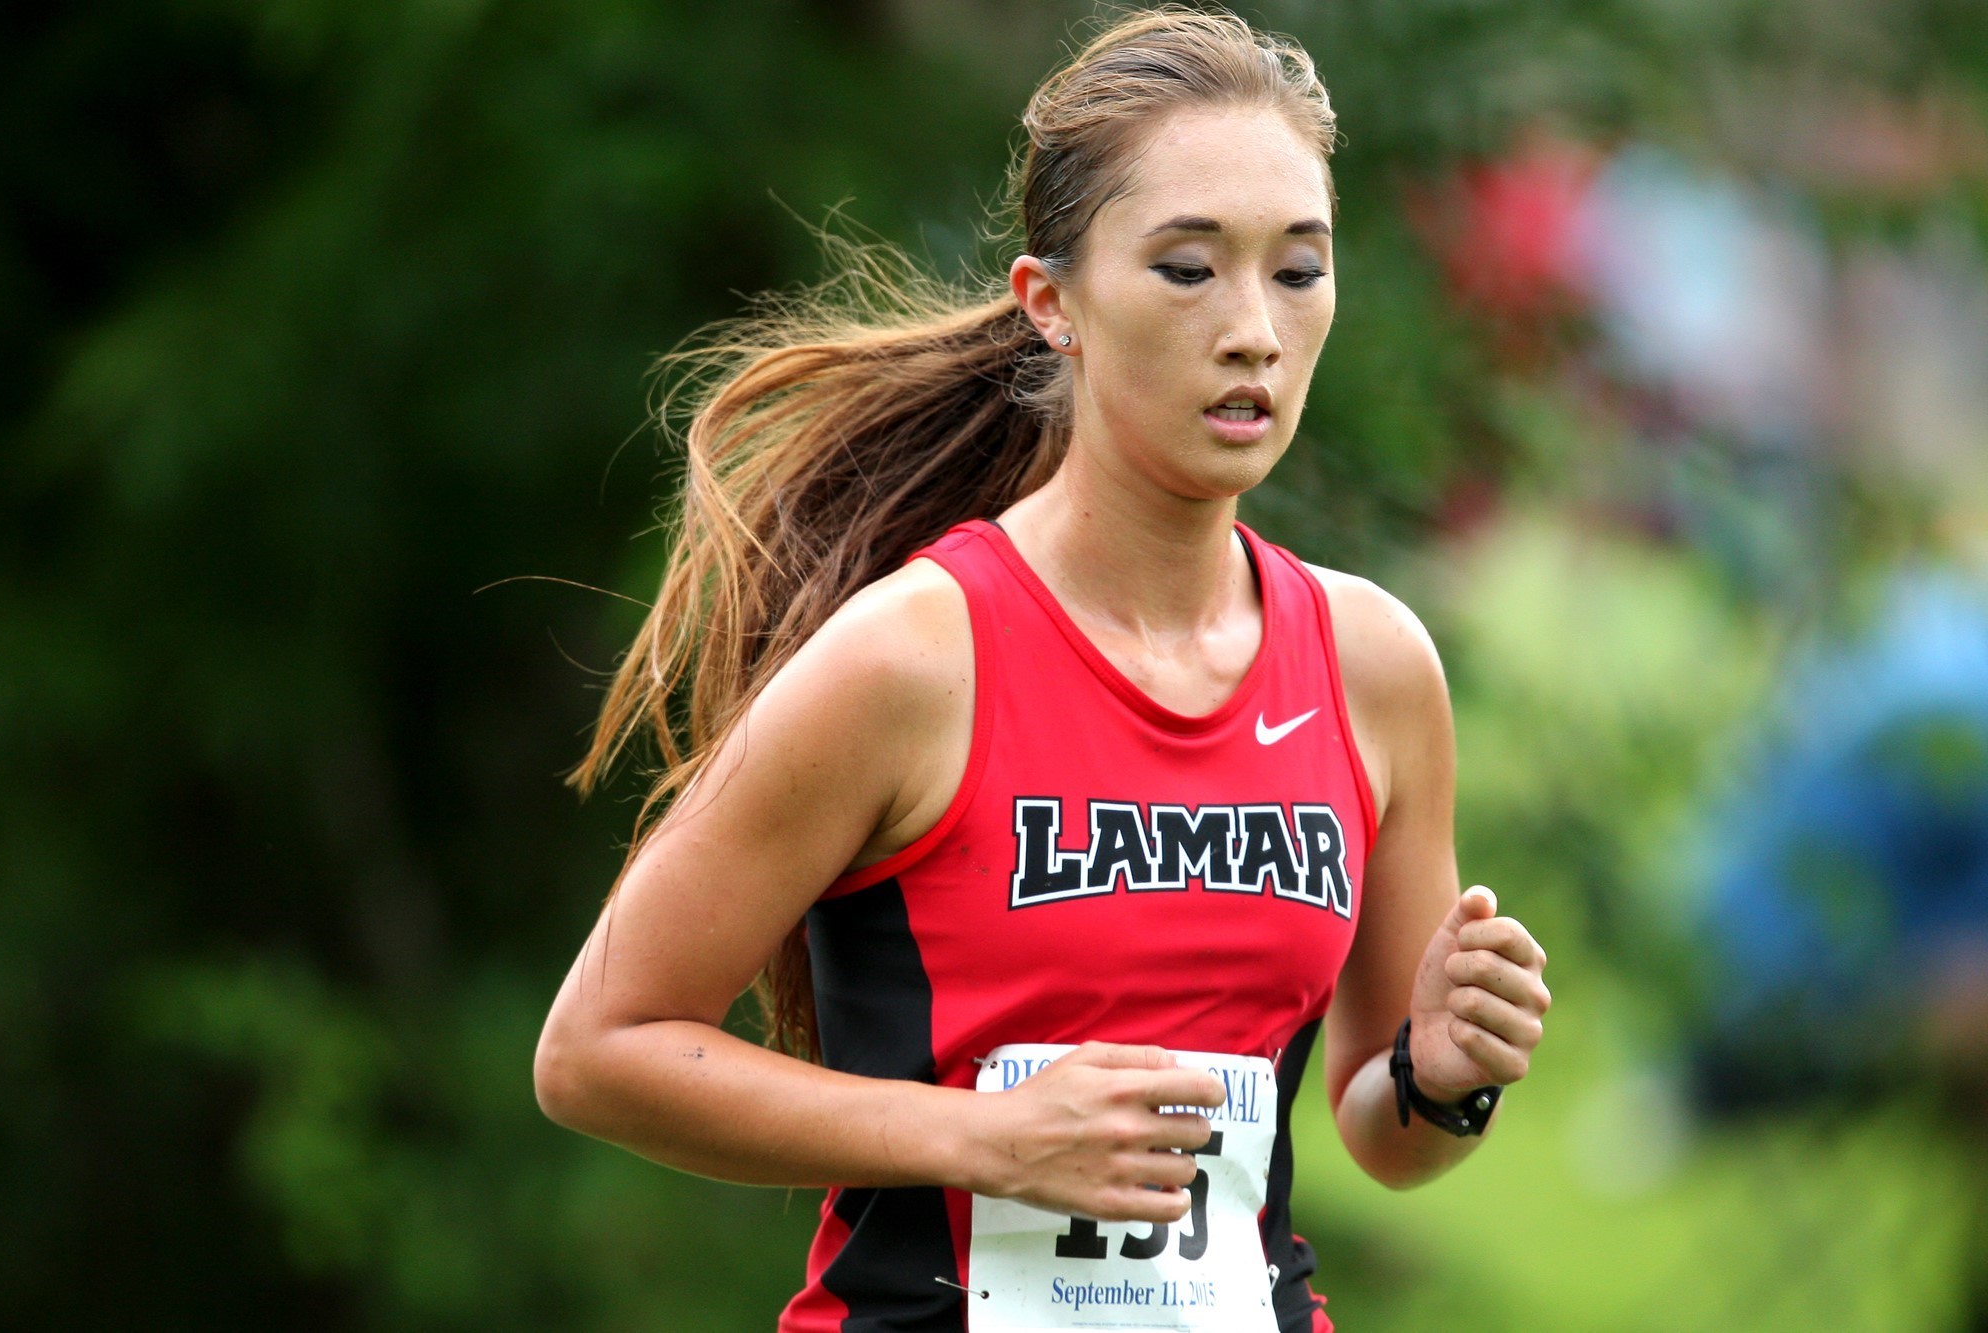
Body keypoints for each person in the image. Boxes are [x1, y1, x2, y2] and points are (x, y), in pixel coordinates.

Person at [532, 8, 1551, 1331]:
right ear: (1051, 304)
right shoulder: (914, 657)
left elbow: (1384, 1130)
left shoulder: (1372, 664)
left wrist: (1443, 1072)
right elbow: (599, 1052)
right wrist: (987, 1138)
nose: (1254, 328)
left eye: (1299, 272)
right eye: (1189, 269)